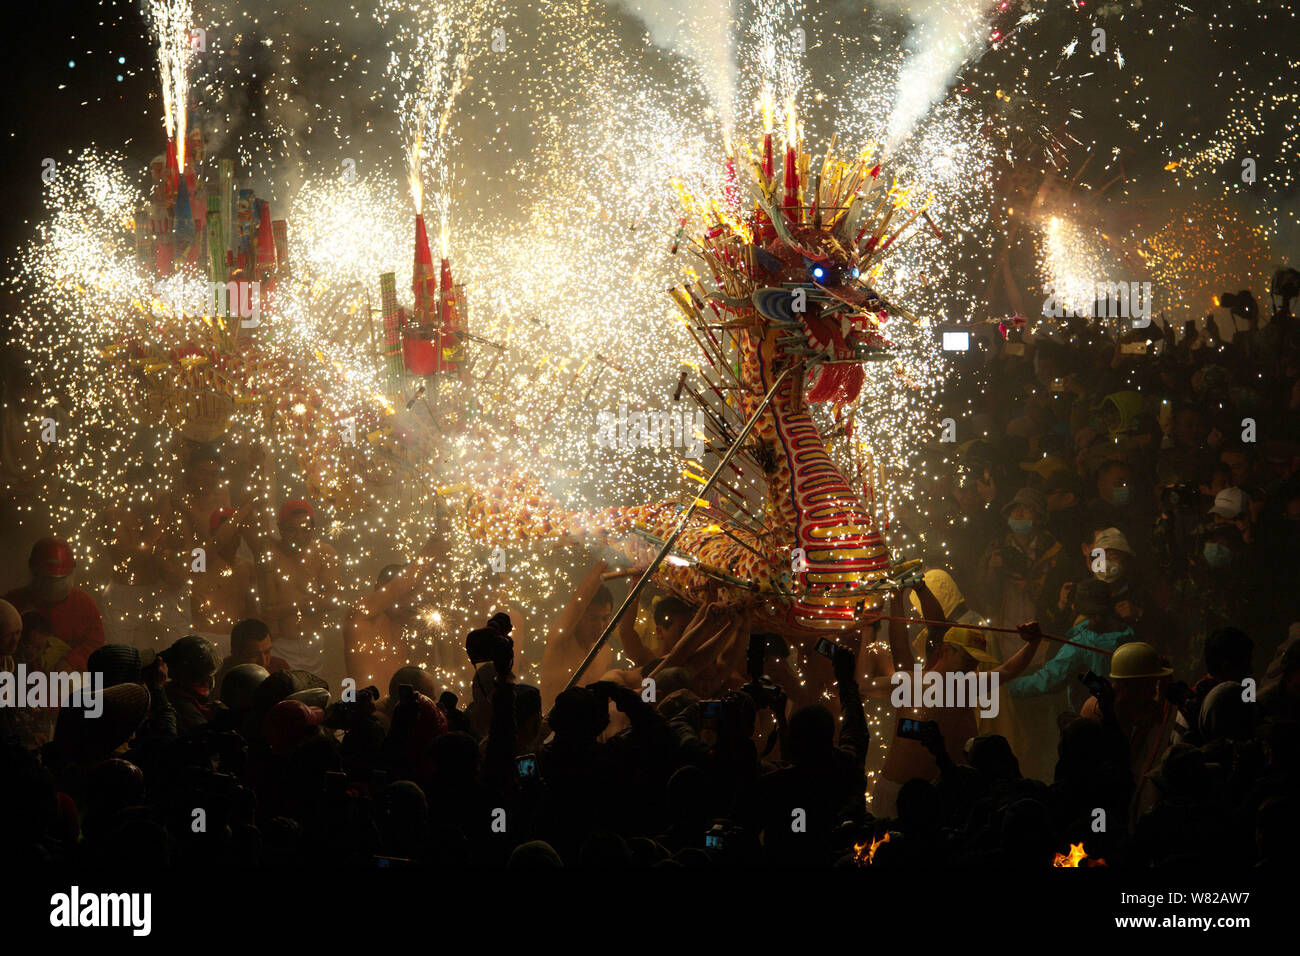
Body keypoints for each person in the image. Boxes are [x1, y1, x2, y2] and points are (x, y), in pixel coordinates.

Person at [254, 500, 340, 677]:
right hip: (279, 644)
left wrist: (284, 609)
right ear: (280, 528)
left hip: (313, 643)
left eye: (305, 530)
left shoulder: (325, 552)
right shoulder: (269, 551)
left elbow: (333, 599)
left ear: (313, 528)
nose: (299, 536)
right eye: (292, 530)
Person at [4, 537, 104, 672]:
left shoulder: (83, 604)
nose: (53, 589)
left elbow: (95, 643)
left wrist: (71, 662)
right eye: (47, 581)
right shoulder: (10, 606)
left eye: (59, 582)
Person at [540, 560, 615, 709]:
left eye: (605, 618)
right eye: (593, 618)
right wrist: (603, 562)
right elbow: (578, 602)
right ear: (580, 618)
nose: (600, 625)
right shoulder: (560, 642)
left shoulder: (605, 652)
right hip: (552, 728)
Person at [189, 507, 258, 655]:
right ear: (213, 535)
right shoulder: (199, 559)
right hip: (205, 638)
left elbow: (251, 609)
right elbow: (218, 541)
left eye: (236, 533)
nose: (231, 538)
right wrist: (247, 505)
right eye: (227, 533)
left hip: (236, 641)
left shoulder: (247, 567)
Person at [213, 617, 289, 695]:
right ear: (235, 653)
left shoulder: (280, 669)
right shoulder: (220, 675)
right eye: (254, 655)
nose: (263, 661)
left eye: (267, 652)